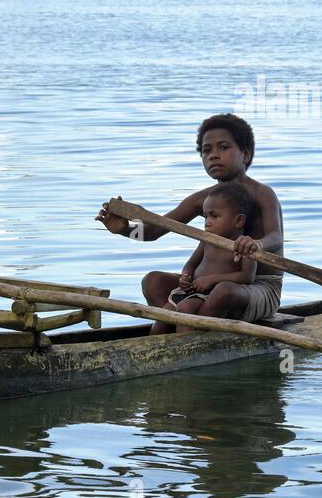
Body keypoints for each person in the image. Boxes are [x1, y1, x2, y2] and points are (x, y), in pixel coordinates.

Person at [98, 113, 284, 333]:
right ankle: (183, 326)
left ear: (245, 154)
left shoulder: (262, 193)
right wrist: (125, 230)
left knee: (223, 291)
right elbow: (153, 231)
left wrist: (257, 244)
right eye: (207, 151)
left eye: (223, 147)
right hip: (207, 287)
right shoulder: (202, 199)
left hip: (256, 287)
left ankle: (192, 331)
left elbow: (275, 237)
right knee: (153, 281)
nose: (213, 155)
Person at [162, 182, 257, 332]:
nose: (207, 223)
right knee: (162, 315)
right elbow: (191, 264)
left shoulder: (243, 246)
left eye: (214, 216)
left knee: (185, 308)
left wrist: (212, 279)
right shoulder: (206, 240)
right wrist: (186, 276)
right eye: (205, 217)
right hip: (190, 292)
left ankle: (184, 349)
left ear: (238, 221)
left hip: (208, 296)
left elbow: (247, 277)